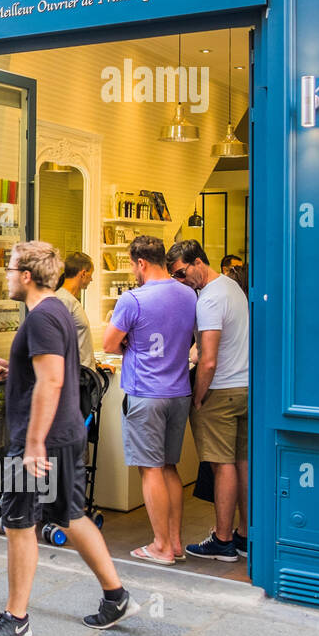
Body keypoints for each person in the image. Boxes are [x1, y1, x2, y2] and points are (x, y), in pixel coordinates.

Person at [0, 242, 140, 636]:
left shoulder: (43, 317)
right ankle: (116, 597)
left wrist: (31, 444)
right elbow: (45, 372)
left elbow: (52, 380)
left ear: (26, 275)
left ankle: (16, 618)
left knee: (18, 522)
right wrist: (12, 372)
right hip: (61, 434)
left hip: (41, 439)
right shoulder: (56, 310)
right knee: (72, 515)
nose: (7, 275)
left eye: (10, 269)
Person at [102, 235, 197, 566]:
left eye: (131, 263)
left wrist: (130, 342)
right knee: (169, 467)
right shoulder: (188, 295)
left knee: (150, 469)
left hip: (146, 393)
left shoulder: (133, 299)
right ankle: (175, 542)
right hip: (179, 391)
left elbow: (110, 344)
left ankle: (160, 546)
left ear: (140, 263)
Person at [168, 240, 250, 560]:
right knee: (243, 463)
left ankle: (223, 539)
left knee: (221, 466)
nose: (180, 279)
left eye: (182, 272)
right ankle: (244, 535)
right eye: (174, 275)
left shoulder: (210, 299)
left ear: (199, 262)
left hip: (221, 390)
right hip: (245, 387)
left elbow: (209, 359)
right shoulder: (232, 288)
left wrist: (199, 397)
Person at [54, 251, 95, 368]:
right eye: (90, 274)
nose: (91, 279)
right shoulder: (64, 300)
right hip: (76, 376)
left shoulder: (70, 300)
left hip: (82, 374)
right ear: (83, 274)